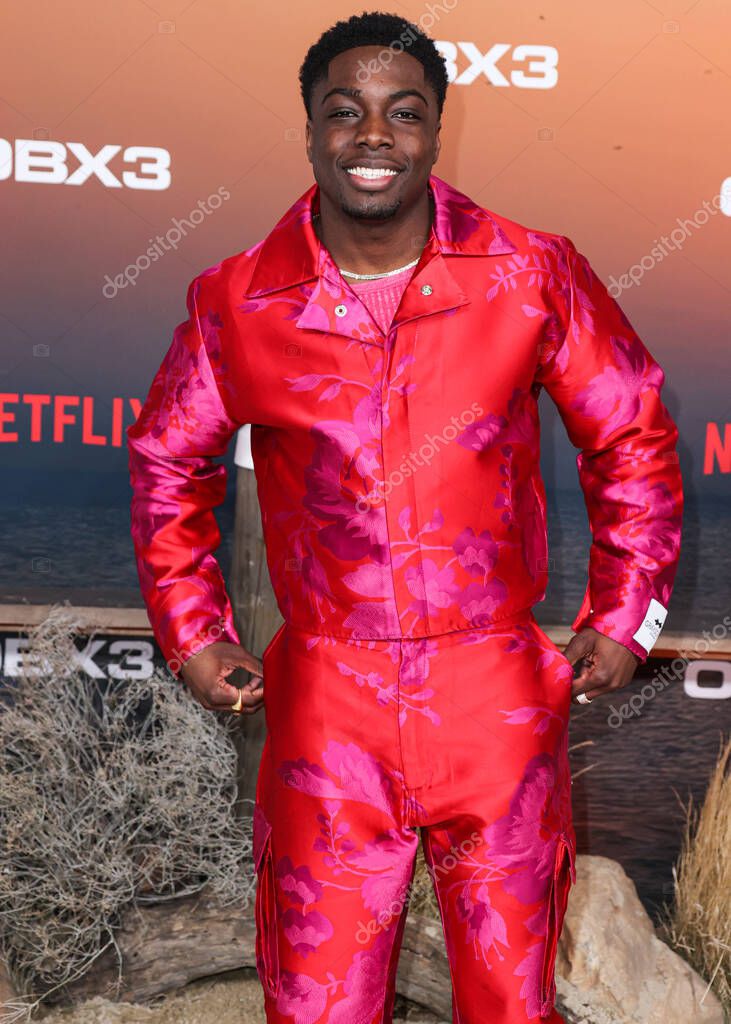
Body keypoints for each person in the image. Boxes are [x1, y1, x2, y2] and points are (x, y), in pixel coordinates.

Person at [127, 11, 683, 1023]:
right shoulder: (239, 301)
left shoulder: (529, 273)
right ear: (309, 131)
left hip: (493, 697)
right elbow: (168, 459)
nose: (372, 134)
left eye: (402, 112)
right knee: (316, 1001)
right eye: (344, 112)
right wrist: (194, 630)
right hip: (326, 707)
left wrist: (625, 610)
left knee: (509, 1000)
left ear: (434, 130)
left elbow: (629, 429)